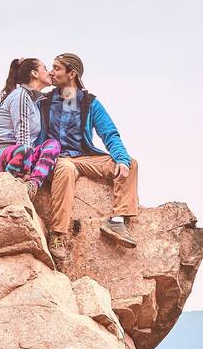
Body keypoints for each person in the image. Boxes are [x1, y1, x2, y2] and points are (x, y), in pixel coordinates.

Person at [38, 52, 139, 267]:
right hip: (57, 159)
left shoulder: (89, 102)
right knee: (64, 168)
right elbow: (26, 130)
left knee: (130, 162)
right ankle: (58, 234)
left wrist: (120, 158)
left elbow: (109, 133)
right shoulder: (45, 102)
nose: (51, 72)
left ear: (71, 73)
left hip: (84, 157)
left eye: (57, 68)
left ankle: (117, 220)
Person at [0, 57, 61, 196]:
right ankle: (11, 187)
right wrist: (27, 169)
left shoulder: (35, 101)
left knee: (53, 145)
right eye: (45, 68)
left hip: (19, 156)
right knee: (25, 149)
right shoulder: (21, 95)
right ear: (34, 73)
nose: (49, 73)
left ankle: (31, 186)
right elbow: (22, 133)